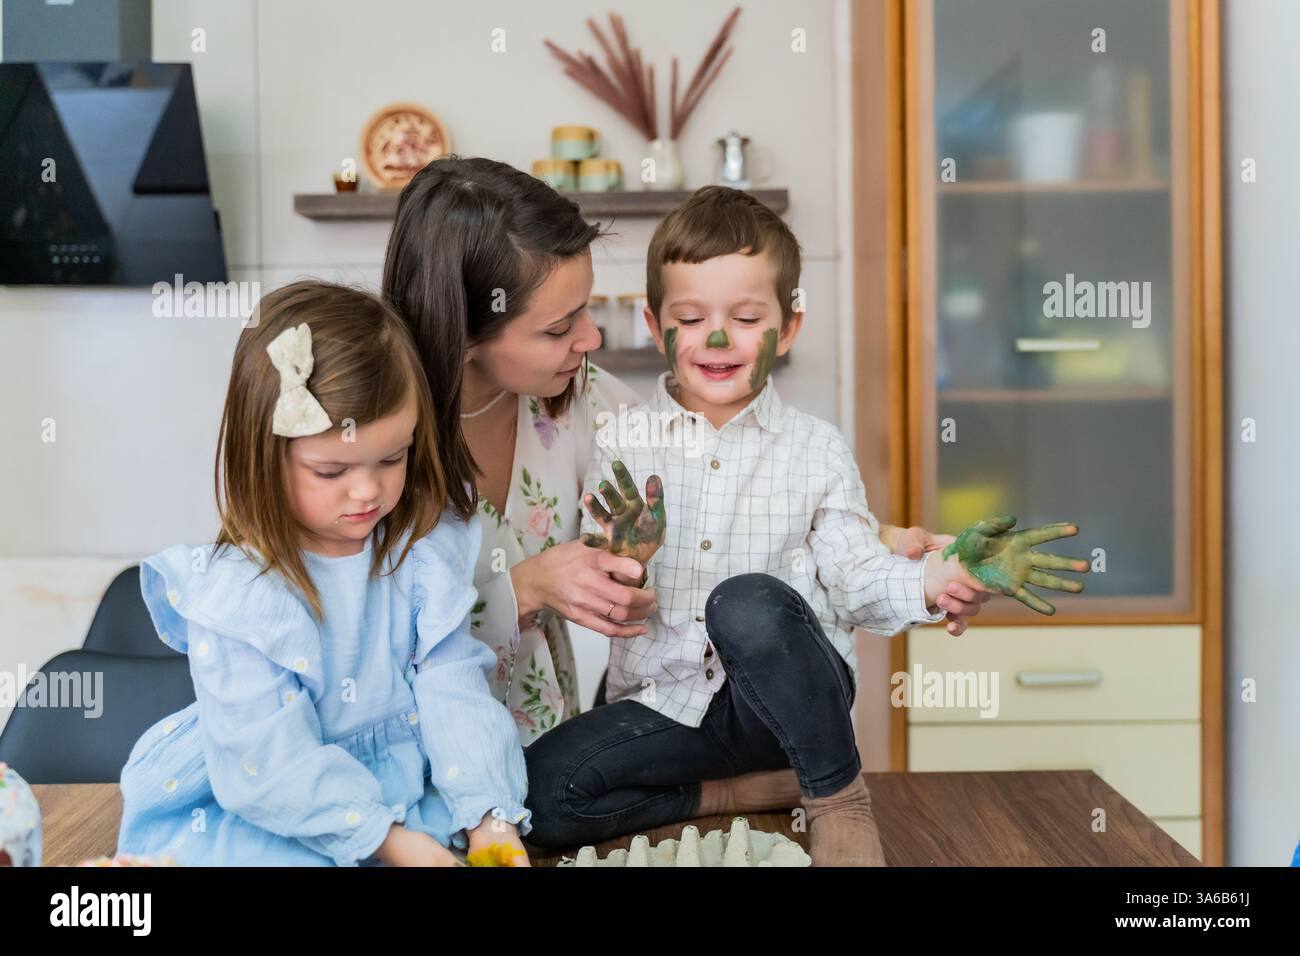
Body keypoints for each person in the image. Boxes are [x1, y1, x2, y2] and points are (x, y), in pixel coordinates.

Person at [524, 187, 1086, 865]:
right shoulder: (623, 443)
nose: (720, 338)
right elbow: (605, 590)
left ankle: (835, 797)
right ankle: (737, 794)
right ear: (654, 324)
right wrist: (627, 561)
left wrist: (943, 578)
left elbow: (856, 576)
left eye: (747, 317)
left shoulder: (815, 449)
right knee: (537, 794)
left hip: (788, 711)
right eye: (693, 317)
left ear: (787, 329)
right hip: (669, 705)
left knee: (745, 601)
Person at [116, 281, 531, 866]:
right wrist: (388, 842)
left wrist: (488, 815)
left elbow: (451, 685)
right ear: (264, 455)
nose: (367, 490)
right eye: (331, 469)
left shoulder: (418, 553)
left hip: (407, 796)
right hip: (276, 807)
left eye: (392, 458)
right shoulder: (240, 594)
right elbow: (270, 765)